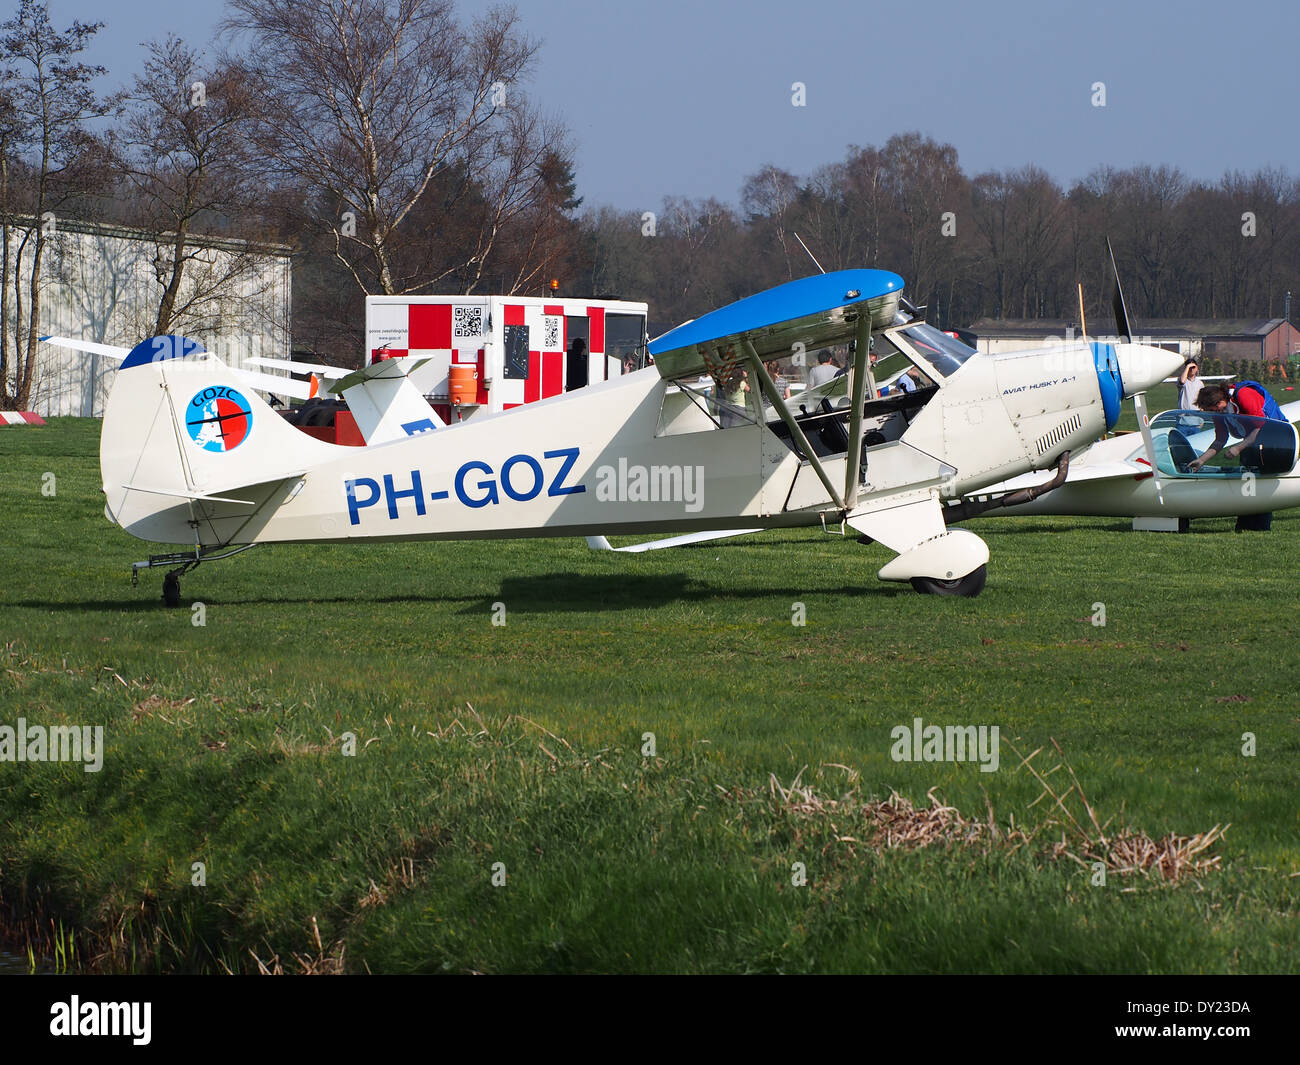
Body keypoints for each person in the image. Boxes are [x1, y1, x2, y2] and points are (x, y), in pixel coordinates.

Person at [1189, 380, 1286, 529]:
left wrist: (1238, 448)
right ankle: (1244, 523)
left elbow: (1260, 427)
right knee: (1247, 481)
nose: (1214, 412)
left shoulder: (1244, 395)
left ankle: (1260, 525)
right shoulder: (1219, 411)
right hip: (1251, 442)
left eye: (1213, 408)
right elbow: (1221, 439)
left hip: (1273, 438)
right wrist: (1201, 460)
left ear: (1220, 401)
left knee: (1260, 481)